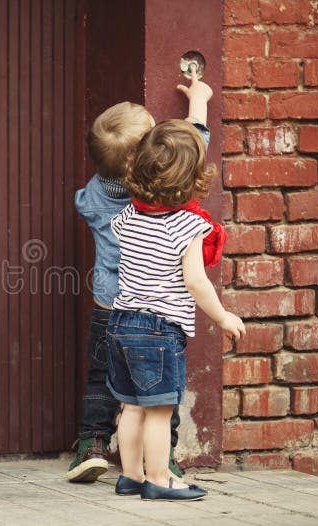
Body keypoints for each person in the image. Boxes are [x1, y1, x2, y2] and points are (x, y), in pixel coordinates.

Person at [67, 72, 212, 484]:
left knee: (103, 376)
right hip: (155, 309)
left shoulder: (93, 197)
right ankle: (162, 460)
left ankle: (90, 445)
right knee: (161, 387)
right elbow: (194, 145)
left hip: (108, 305)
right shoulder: (154, 197)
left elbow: (86, 197)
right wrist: (198, 100)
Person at [107, 78, 246, 501]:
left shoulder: (128, 216)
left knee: (130, 406)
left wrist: (195, 113)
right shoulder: (188, 225)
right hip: (158, 330)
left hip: (119, 323)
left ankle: (130, 475)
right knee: (159, 410)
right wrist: (222, 316)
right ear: (191, 183)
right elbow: (195, 281)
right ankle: (159, 479)